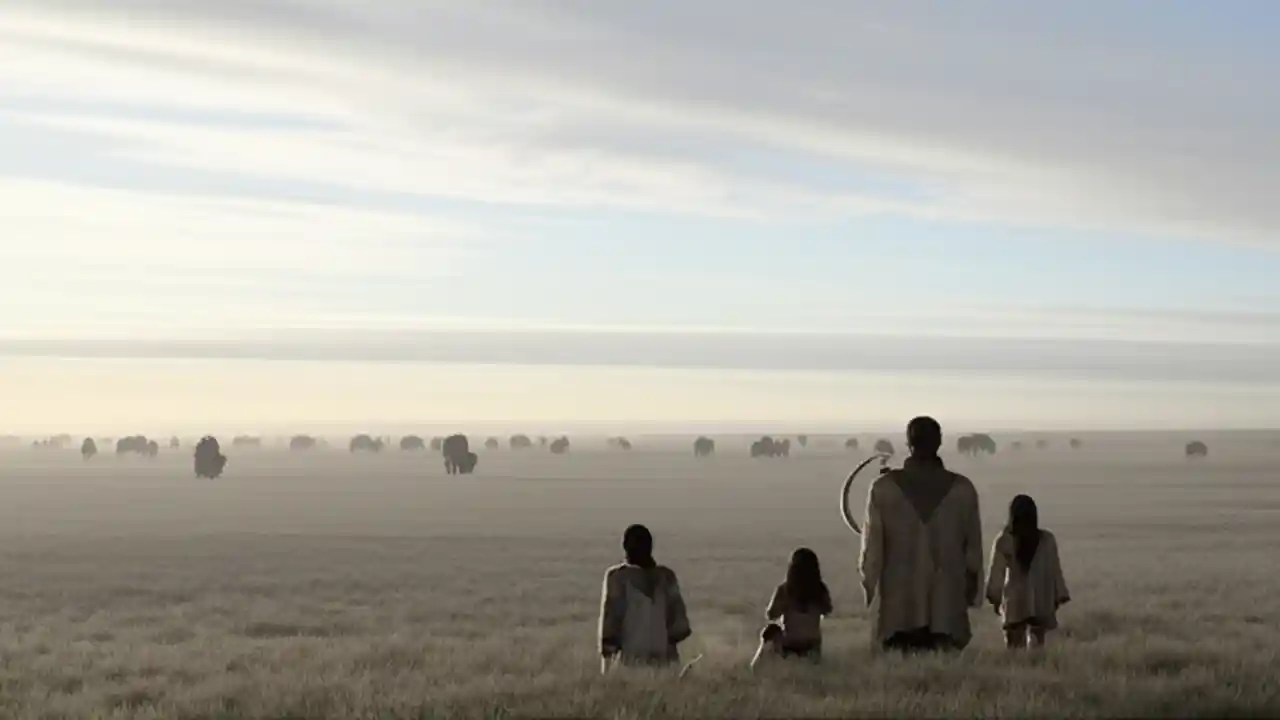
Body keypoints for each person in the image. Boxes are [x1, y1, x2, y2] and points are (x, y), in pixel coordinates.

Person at [859, 416, 983, 652]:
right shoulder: (963, 490)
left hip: (898, 613)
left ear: (908, 443)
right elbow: (973, 552)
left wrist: (869, 588)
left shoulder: (883, 488)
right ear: (939, 442)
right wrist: (973, 594)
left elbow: (872, 551)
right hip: (947, 611)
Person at [598, 524, 692, 671]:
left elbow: (610, 625)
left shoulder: (617, 578)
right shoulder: (667, 577)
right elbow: (680, 628)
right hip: (665, 663)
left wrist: (607, 668)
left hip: (629, 664)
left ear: (625, 546)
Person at [986, 494, 1070, 649]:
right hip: (1041, 601)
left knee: (1014, 650)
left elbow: (996, 573)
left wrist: (995, 597)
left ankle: (1018, 671)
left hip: (1015, 602)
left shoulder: (1005, 540)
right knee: (1038, 648)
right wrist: (1058, 595)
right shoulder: (1047, 540)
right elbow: (1055, 570)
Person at [752, 548, 832, 668]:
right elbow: (827, 610)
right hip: (813, 646)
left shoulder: (784, 591)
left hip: (790, 645)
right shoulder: (821, 590)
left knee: (770, 630)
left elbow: (771, 615)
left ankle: (757, 668)